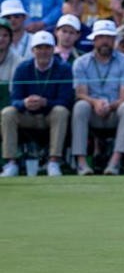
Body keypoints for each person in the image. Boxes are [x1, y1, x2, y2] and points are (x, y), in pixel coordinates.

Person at [1, 31, 73, 177]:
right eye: (39, 48)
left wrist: (45, 102)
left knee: (61, 111)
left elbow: (66, 100)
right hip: (27, 115)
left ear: (53, 49)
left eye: (47, 48)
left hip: (49, 115)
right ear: (33, 50)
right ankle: (11, 163)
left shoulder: (63, 69)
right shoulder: (23, 68)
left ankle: (53, 161)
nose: (43, 52)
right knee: (8, 113)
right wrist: (25, 103)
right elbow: (14, 99)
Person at [71, 20, 124, 175]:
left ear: (114, 40)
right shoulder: (81, 62)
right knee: (80, 106)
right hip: (92, 112)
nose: (105, 41)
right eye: (101, 37)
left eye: (109, 37)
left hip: (115, 111)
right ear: (94, 40)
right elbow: (80, 93)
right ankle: (81, 163)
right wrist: (95, 103)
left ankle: (115, 162)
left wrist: (110, 106)